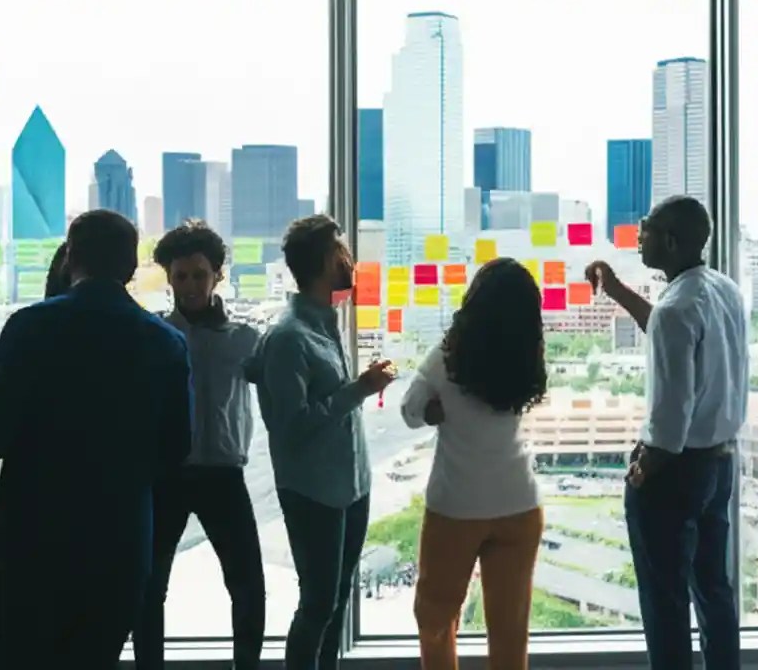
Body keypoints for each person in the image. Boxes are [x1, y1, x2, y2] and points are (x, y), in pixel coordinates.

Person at [0, 210, 194, 669]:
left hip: (31, 542)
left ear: (70, 258)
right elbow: (176, 450)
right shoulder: (166, 342)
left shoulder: (28, 327)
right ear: (131, 267)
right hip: (118, 543)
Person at [586, 195, 747, 670]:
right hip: (719, 463)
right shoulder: (722, 289)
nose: (639, 235)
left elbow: (670, 413)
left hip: (675, 470)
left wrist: (645, 466)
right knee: (714, 591)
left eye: (648, 228)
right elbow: (664, 325)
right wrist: (615, 288)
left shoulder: (677, 309)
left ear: (671, 241)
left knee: (665, 603)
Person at [245, 215, 396, 669]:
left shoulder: (327, 322)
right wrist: (360, 389)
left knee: (336, 600)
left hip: (351, 487)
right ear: (327, 260)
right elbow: (291, 427)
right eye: (343, 252)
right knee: (317, 605)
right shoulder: (289, 338)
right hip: (313, 493)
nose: (350, 261)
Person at [400, 257, 547, 670]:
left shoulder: (448, 357)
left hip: (456, 508)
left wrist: (431, 411)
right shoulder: (526, 354)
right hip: (519, 504)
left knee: (435, 619)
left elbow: (409, 410)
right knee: (509, 631)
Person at [133, 220, 265, 670]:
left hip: (224, 474)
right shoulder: (153, 336)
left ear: (217, 276)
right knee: (150, 586)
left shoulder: (244, 340)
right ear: (169, 278)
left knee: (248, 586)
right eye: (181, 275)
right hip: (166, 475)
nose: (190, 285)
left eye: (200, 275)